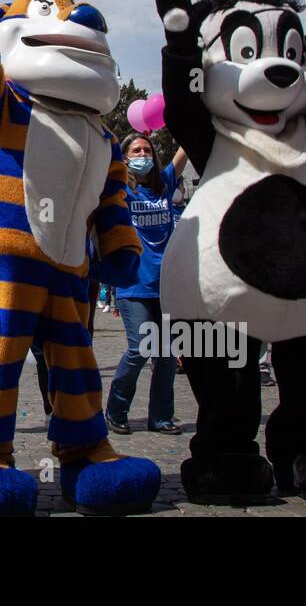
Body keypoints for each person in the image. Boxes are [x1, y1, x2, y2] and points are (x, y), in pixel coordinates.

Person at [104, 134, 188, 436]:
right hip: (134, 283)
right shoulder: (123, 188)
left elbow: (185, 150)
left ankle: (161, 417)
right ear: (126, 157)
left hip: (165, 285)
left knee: (166, 356)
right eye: (136, 150)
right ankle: (115, 410)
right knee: (140, 349)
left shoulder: (164, 183)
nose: (143, 154)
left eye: (147, 150)